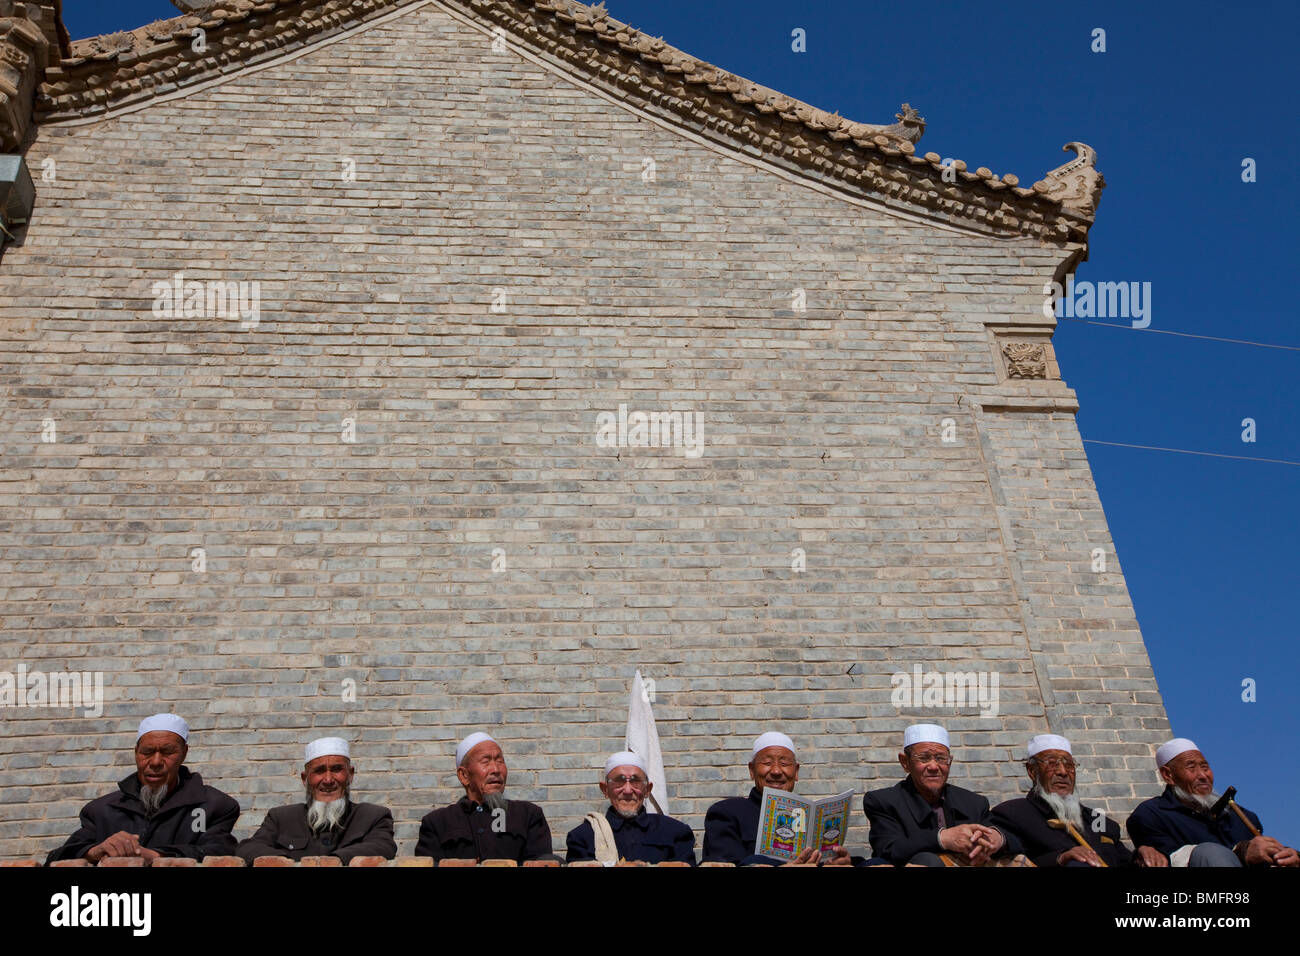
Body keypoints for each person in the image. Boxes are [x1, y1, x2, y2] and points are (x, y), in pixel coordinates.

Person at [46, 713, 240, 864]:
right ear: (136, 753)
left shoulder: (215, 806)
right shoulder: (101, 810)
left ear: (184, 753)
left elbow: (220, 853)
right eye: (147, 752)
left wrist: (157, 856)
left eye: (167, 752)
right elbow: (58, 858)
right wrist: (95, 851)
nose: (155, 762)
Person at [991, 734, 1165, 867]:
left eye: (1069, 764)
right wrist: (1061, 857)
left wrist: (1141, 855)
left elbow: (1121, 859)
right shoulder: (1013, 813)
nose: (1063, 772)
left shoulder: (1098, 819)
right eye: (1052, 763)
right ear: (1032, 771)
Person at [1127, 737, 1298, 867]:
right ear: (1168, 775)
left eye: (1205, 767)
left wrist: (1290, 856)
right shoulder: (1150, 815)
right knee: (1209, 852)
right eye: (1191, 767)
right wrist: (1240, 852)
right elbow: (1174, 859)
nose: (1203, 775)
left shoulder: (1242, 816)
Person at [862, 723, 1016, 866]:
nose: (934, 766)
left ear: (950, 762)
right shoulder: (883, 801)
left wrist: (997, 838)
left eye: (941, 759)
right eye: (924, 758)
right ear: (905, 762)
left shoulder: (973, 802)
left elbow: (1009, 836)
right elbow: (887, 848)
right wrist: (942, 838)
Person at [236, 736, 396, 864]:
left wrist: (334, 861)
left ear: (350, 774)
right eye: (319, 771)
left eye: (336, 770)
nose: (328, 779)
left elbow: (384, 847)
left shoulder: (373, 816)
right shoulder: (281, 818)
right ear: (305, 779)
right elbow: (248, 848)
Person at [702, 732, 853, 865]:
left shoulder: (807, 817)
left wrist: (838, 861)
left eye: (784, 763)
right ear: (751, 770)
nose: (776, 771)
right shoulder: (727, 812)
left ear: (796, 771)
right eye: (767, 763)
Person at [415, 732, 554, 863]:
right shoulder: (437, 823)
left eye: (500, 761)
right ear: (464, 776)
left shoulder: (528, 815)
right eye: (486, 761)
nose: (496, 769)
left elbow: (541, 861)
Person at [565, 751, 695, 864]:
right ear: (605, 789)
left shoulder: (675, 832)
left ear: (647, 789)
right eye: (619, 780)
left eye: (635, 781)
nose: (627, 790)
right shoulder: (582, 837)